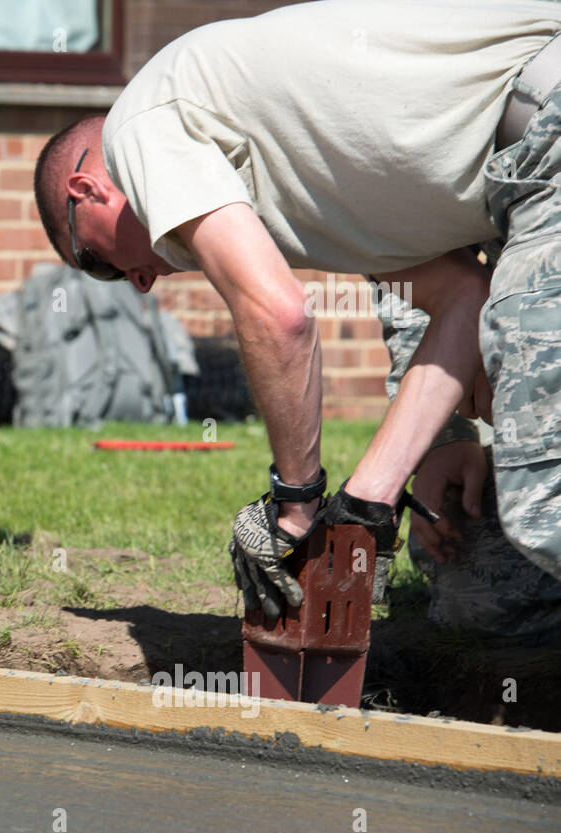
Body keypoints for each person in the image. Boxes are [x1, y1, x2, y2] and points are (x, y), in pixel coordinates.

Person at [32, 0, 561, 632]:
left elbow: (280, 317)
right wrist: (368, 503)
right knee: (485, 594)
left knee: (543, 500)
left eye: (97, 263)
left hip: (544, 129)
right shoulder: (289, 172)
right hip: (525, 178)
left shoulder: (139, 124)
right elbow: (463, 296)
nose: (138, 284)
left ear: (86, 192)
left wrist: (295, 506)